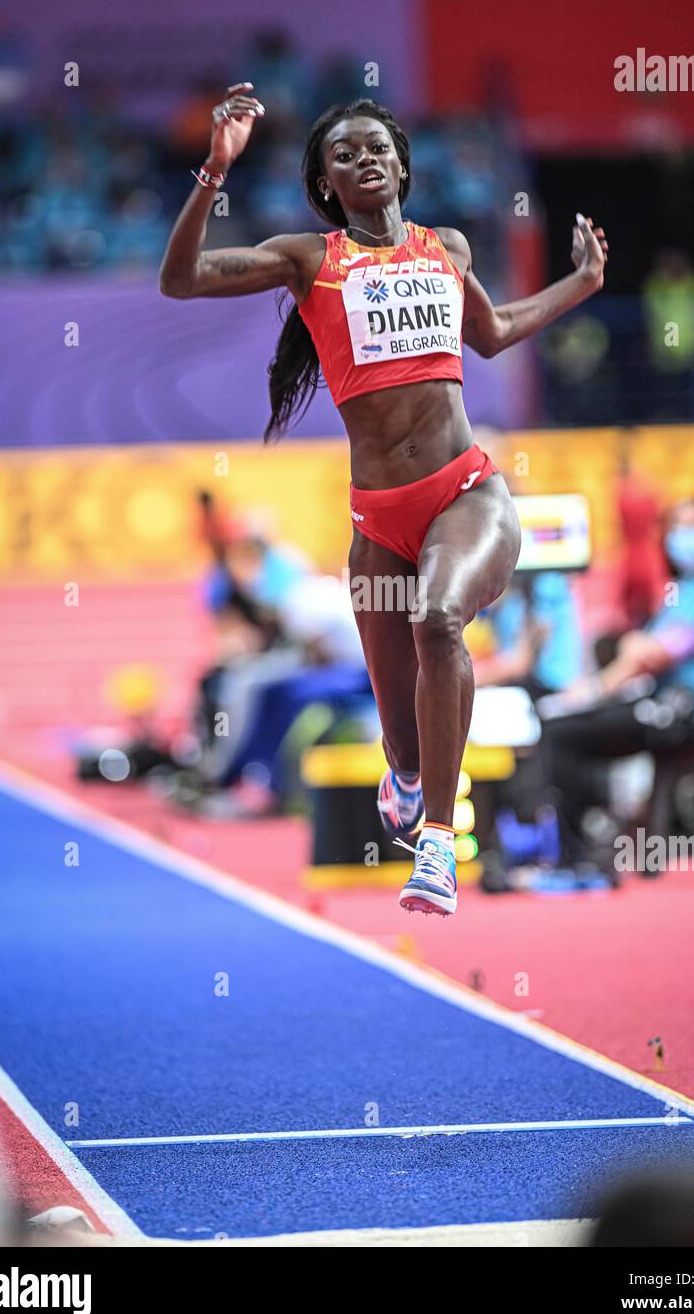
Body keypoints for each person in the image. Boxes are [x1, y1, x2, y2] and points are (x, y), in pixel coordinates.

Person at [160, 83, 609, 916]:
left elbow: (495, 332)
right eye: (344, 153)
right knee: (396, 724)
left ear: (402, 164)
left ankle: (437, 845)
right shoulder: (308, 258)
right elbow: (180, 280)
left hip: (467, 489)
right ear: (327, 184)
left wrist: (581, 284)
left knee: (438, 619)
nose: (364, 158)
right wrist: (214, 171)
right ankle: (406, 776)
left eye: (377, 147)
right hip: (379, 521)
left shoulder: (449, 248)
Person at [533, 496, 694, 882]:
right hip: (667, 704)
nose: (685, 537)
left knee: (562, 732)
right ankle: (592, 839)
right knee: (573, 725)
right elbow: (640, 649)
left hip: (691, 715)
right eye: (677, 527)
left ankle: (583, 850)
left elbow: (650, 655)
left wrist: (590, 693)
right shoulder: (689, 588)